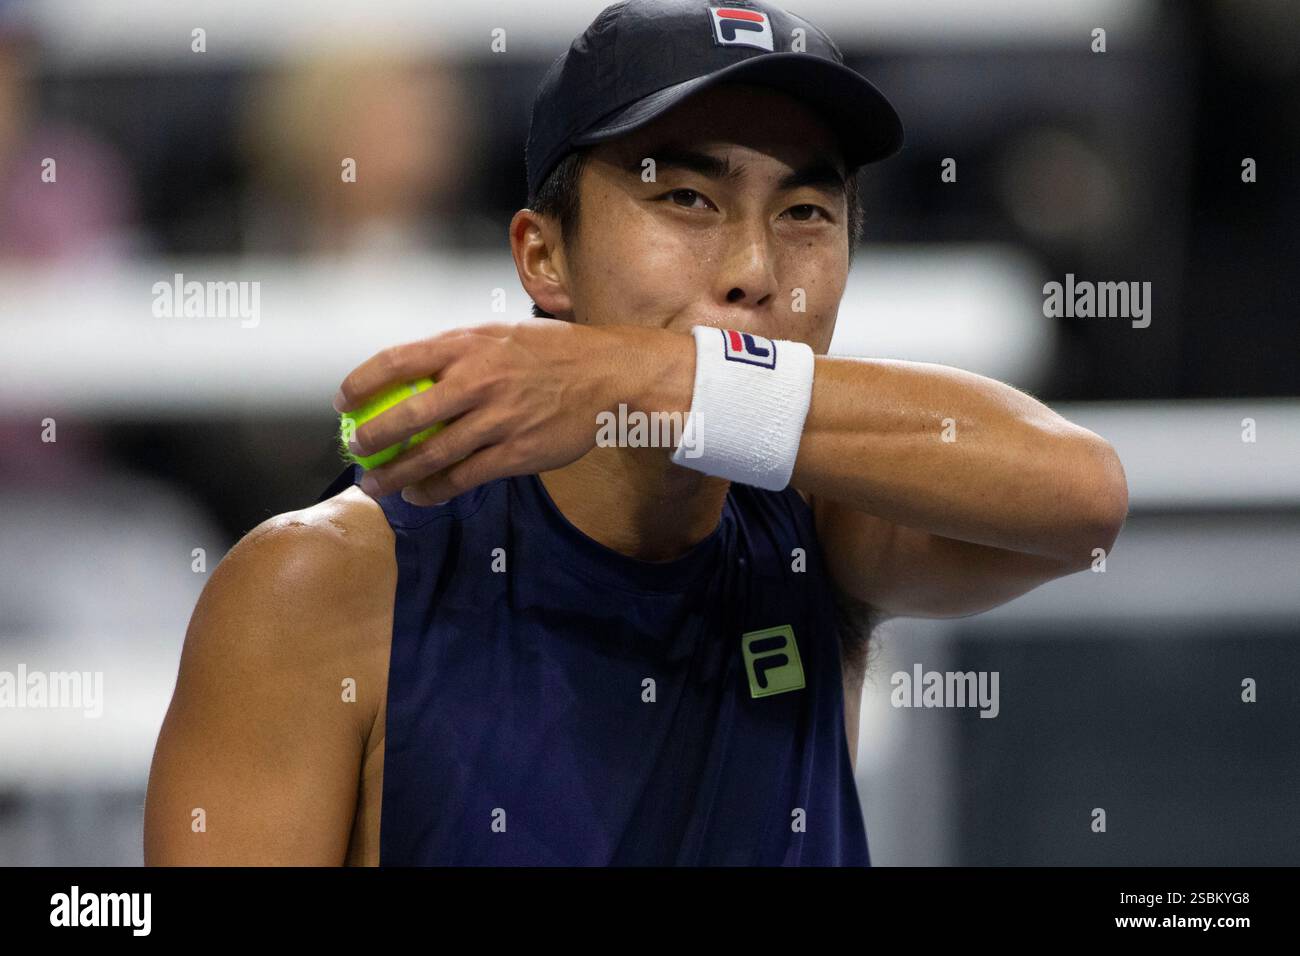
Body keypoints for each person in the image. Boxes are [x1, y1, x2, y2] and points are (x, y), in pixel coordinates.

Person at [144, 0, 1128, 866]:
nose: (753, 265)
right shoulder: (316, 586)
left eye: (805, 210)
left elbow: (1083, 498)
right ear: (543, 256)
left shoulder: (821, 527)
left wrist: (648, 372)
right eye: (685, 198)